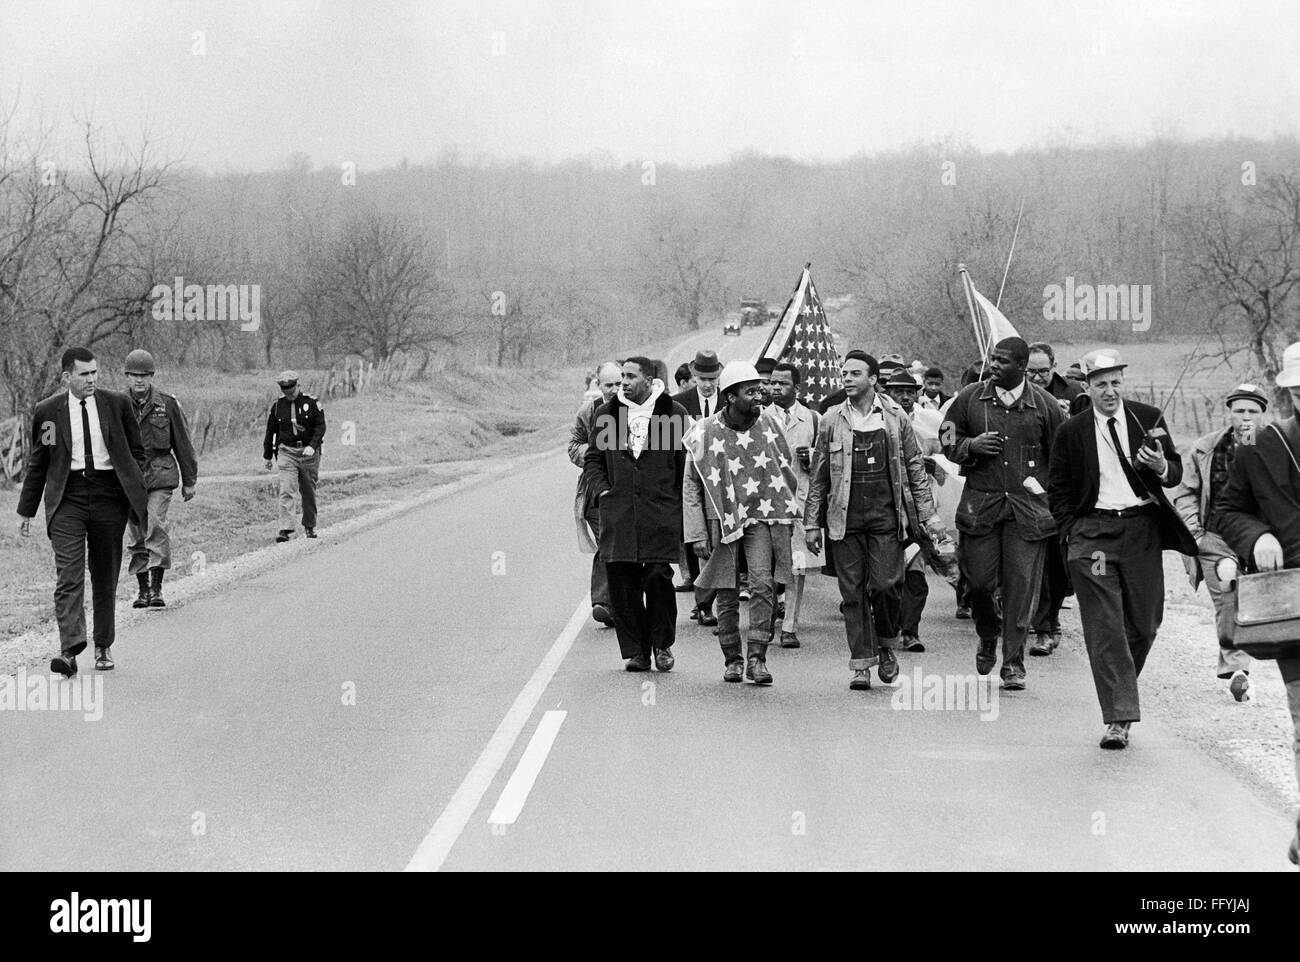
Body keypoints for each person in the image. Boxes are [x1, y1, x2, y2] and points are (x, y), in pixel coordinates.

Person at [1048, 349, 1197, 749]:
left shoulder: (1148, 418)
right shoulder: (1072, 431)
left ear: (1122, 384)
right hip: (1094, 536)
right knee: (1105, 624)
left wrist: (1160, 466)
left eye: (1115, 383)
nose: (1109, 391)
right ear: (1087, 387)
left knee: (1145, 624)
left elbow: (1176, 472)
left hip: (1142, 531)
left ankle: (1120, 686)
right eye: (1101, 384)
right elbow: (1058, 487)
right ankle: (1118, 718)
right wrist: (1071, 531)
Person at [804, 351, 946, 691]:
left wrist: (930, 518)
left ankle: (885, 644)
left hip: (887, 517)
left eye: (855, 373)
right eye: (845, 373)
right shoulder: (831, 419)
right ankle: (861, 664)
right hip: (845, 518)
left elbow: (914, 468)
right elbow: (820, 474)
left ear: (873, 379)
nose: (847, 379)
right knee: (852, 593)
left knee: (885, 586)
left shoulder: (896, 418)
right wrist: (811, 522)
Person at [1215, 341, 1300, 865]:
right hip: (1295, 603)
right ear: (1292, 391)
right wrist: (1256, 537)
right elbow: (1227, 510)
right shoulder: (1264, 449)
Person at [16, 347, 149, 675]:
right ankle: (70, 650)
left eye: (94, 373)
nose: (91, 379)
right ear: (67, 377)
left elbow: (137, 452)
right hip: (67, 498)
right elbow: (40, 461)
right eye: (84, 374)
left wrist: (132, 488)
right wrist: (26, 511)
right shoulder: (47, 412)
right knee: (69, 575)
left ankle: (103, 645)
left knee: (105, 575)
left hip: (108, 496)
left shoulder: (117, 404)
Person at [942, 337, 1065, 690]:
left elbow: (1061, 458)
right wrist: (970, 446)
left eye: (1003, 361)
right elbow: (947, 436)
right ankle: (986, 632)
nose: (994, 366)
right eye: (993, 359)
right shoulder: (970, 398)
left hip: (1028, 514)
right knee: (978, 584)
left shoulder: (1046, 405)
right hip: (981, 508)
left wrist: (1048, 494)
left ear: (1022, 367)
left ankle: (1013, 663)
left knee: (1020, 589)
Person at [684, 361, 800, 684]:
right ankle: (732, 658)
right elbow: (691, 485)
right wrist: (695, 533)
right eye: (750, 391)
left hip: (760, 517)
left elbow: (784, 468)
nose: (759, 396)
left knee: (762, 582)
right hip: (721, 521)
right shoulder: (703, 432)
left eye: (759, 389)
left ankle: (757, 657)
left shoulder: (771, 426)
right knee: (727, 589)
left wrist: (786, 514)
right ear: (730, 397)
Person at [583, 357, 689, 671]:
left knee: (658, 577)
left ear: (650, 379)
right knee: (622, 583)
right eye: (621, 376)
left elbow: (682, 466)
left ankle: (662, 644)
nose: (624, 382)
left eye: (630, 376)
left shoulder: (671, 414)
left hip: (660, 513)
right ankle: (637, 651)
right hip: (619, 514)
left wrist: (680, 507)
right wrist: (603, 491)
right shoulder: (609, 415)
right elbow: (594, 461)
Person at [1170, 383, 1270, 701]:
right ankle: (1238, 670)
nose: (1245, 417)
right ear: (1229, 411)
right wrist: (1195, 534)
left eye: (1252, 411)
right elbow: (1185, 492)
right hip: (1215, 540)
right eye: (1239, 410)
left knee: (1254, 604)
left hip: (1260, 541)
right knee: (1229, 598)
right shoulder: (1206, 448)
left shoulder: (1276, 448)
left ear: (1262, 414)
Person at [122, 349, 198, 609]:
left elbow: (183, 442)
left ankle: (156, 587)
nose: (139, 381)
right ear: (127, 377)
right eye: (134, 375)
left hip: (161, 471)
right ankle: (142, 590)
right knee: (135, 533)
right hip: (131, 476)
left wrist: (190, 479)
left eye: (143, 375)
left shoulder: (167, 404)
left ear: (151, 376)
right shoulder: (117, 404)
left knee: (155, 524)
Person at [1024, 342, 1082, 656]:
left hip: (1064, 487)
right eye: (1031, 371)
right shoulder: (1016, 394)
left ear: (1053, 366)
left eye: (1043, 371)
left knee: (1061, 565)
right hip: (1027, 485)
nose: (1037, 377)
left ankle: (1052, 616)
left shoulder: (1074, 393)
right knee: (1037, 562)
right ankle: (1042, 628)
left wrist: (1069, 416)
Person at [768, 362, 820, 648]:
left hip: (800, 503)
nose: (775, 388)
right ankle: (766, 619)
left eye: (782, 384)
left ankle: (789, 627)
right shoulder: (760, 417)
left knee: (797, 568)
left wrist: (812, 457)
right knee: (766, 567)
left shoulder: (812, 418)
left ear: (796, 388)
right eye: (772, 383)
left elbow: (826, 461)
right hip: (766, 504)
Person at [569, 361, 623, 626]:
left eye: (618, 384)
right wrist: (594, 454)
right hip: (596, 492)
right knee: (607, 541)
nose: (614, 389)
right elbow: (573, 445)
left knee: (621, 546)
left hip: (627, 491)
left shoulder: (633, 409)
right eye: (608, 384)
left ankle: (620, 603)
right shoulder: (588, 412)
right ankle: (602, 602)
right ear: (598, 386)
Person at [672, 350, 723, 623]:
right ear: (694, 376)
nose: (707, 384)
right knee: (696, 541)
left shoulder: (729, 402)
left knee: (722, 548)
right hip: (690, 481)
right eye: (702, 378)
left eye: (712, 378)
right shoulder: (677, 405)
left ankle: (714, 601)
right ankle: (703, 604)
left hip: (724, 485)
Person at [263, 370, 326, 543]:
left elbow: (320, 427)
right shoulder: (278, 407)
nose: (288, 392)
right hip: (287, 452)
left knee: (308, 491)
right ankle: (285, 528)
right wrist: (267, 455)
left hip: (308, 453)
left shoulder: (312, 403)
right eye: (284, 389)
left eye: (291, 388)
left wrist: (313, 447)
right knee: (286, 489)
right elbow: (271, 431)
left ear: (297, 385)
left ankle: (309, 525)